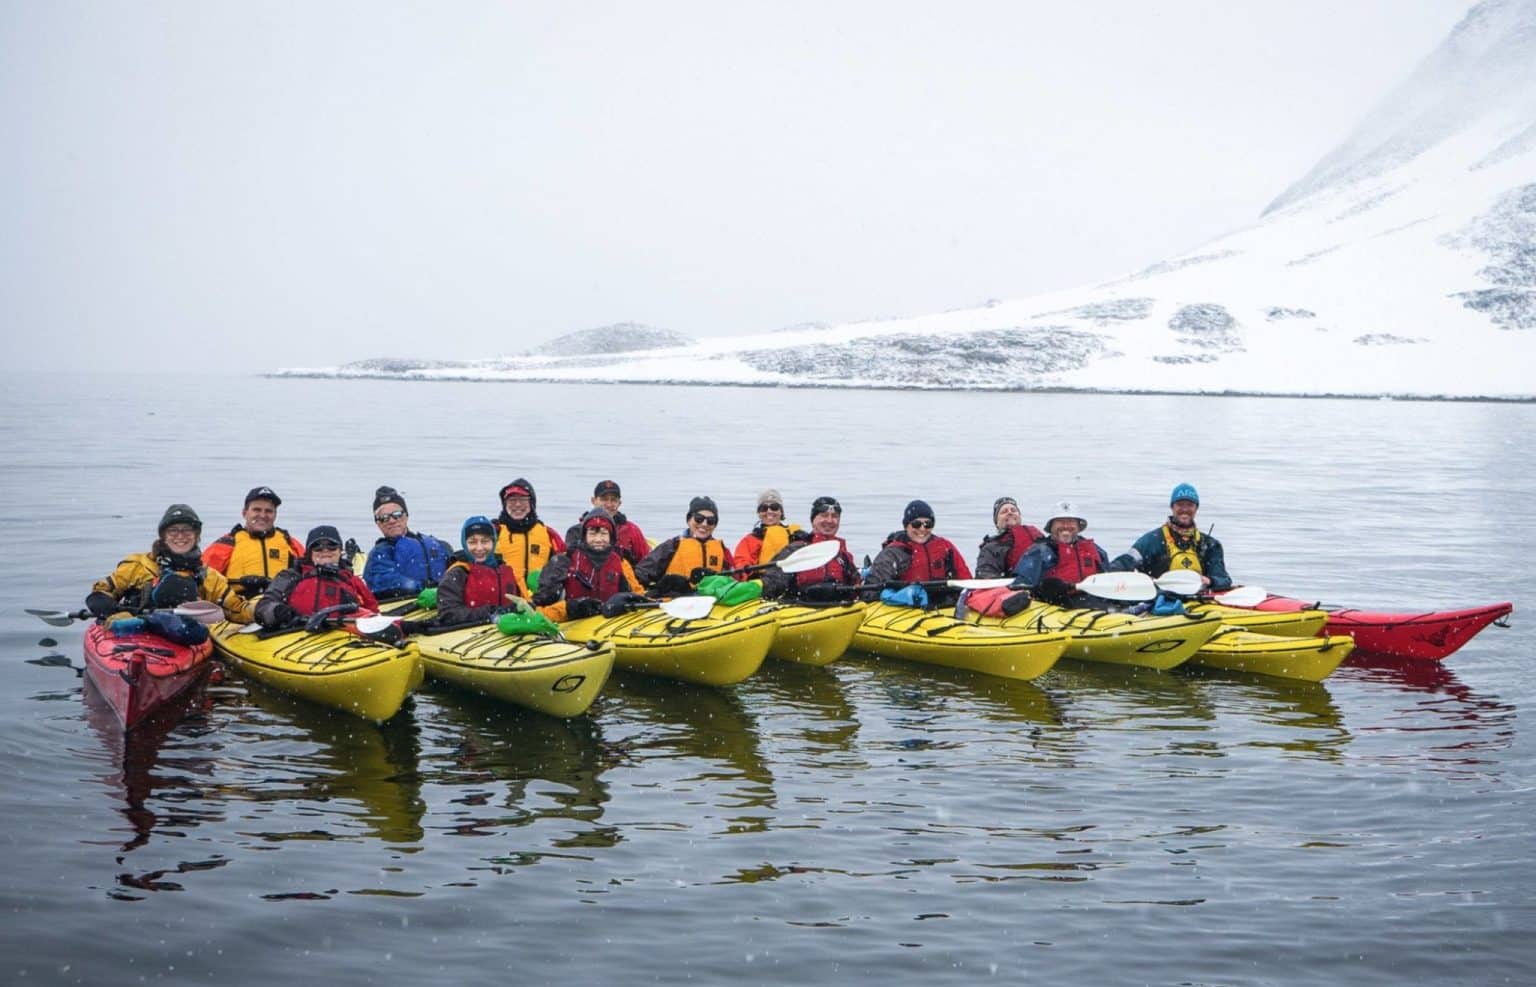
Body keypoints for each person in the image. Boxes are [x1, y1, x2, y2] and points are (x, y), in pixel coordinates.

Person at [86, 504, 254, 641]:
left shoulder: (209, 577)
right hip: (130, 632)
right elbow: (100, 593)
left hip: (181, 636)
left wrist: (268, 612)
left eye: (187, 530)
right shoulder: (138, 565)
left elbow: (238, 609)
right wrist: (113, 613)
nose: (180, 536)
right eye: (173, 530)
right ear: (163, 536)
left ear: (196, 536)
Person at [1109, 483, 1233, 591]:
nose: (1185, 509)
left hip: (1198, 600)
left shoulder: (1210, 544)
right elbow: (1128, 560)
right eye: (1180, 505)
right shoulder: (1153, 540)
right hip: (1159, 599)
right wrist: (1109, 571)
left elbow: (1223, 579)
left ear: (1196, 508)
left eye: (1189, 505)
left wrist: (1210, 581)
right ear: (1172, 507)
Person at [255, 525, 380, 629]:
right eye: (317, 547)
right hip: (296, 634)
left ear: (340, 550)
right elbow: (263, 608)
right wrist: (279, 612)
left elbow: (373, 613)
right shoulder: (291, 577)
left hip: (342, 635)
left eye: (331, 545)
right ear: (309, 553)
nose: (325, 550)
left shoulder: (352, 581)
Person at [534, 510, 647, 620]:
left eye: (603, 534)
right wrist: (570, 609)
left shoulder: (621, 563)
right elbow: (537, 610)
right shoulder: (563, 562)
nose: (598, 540)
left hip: (609, 625)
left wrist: (623, 601)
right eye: (592, 534)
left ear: (611, 537)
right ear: (584, 536)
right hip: (572, 626)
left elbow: (639, 596)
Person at [201, 486, 306, 599]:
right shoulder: (226, 544)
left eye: (268, 511)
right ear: (244, 513)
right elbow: (202, 580)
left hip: (281, 607)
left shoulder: (290, 544)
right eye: (257, 510)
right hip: (238, 608)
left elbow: (310, 575)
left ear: (275, 515)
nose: (262, 515)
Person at [865, 500, 972, 606]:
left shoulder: (945, 547)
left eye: (928, 524)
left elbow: (966, 579)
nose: (922, 529)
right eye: (916, 524)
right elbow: (869, 593)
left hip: (943, 605)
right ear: (906, 526)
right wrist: (897, 597)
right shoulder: (893, 553)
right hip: (906, 608)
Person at [761, 495, 861, 601]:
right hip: (800, 607)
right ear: (813, 520)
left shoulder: (842, 554)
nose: (829, 520)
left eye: (834, 516)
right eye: (824, 515)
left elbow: (856, 587)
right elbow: (773, 582)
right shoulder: (796, 548)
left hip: (837, 609)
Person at [434, 516, 529, 627]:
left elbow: (525, 603)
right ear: (464, 543)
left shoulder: (507, 570)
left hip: (508, 634)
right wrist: (494, 612)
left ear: (493, 542)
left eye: (485, 541)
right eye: (472, 542)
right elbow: (449, 615)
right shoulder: (457, 574)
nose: (479, 548)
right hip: (473, 636)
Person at [1010, 502, 1110, 606]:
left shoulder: (1095, 550)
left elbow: (1107, 580)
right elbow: (1021, 586)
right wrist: (1042, 591)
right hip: (1056, 608)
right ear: (1051, 526)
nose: (1066, 526)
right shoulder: (1039, 552)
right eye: (1060, 521)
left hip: (1094, 604)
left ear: (1078, 526)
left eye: (1071, 521)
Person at [362, 485, 451, 599]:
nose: (392, 521)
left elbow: (457, 573)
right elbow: (386, 582)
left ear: (406, 516)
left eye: (397, 515)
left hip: (442, 600)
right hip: (406, 606)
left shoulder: (439, 545)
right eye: (384, 517)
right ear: (378, 524)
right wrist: (425, 587)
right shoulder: (379, 554)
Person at [635, 496, 730, 596]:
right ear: (689, 520)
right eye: (699, 518)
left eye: (711, 520)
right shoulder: (672, 546)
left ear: (715, 525)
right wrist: (658, 588)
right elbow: (641, 573)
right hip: (676, 601)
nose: (704, 524)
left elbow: (733, 579)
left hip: (712, 603)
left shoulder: (722, 550)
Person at [493, 478, 566, 593]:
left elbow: (562, 566)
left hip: (539, 600)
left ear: (532, 503)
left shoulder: (548, 534)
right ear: (504, 504)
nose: (517, 504)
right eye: (512, 500)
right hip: (504, 600)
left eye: (523, 500)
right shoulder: (494, 532)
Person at [563, 480, 650, 565]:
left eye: (613, 500)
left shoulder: (631, 530)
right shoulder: (576, 531)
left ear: (619, 503)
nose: (609, 504)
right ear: (593, 501)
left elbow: (646, 562)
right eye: (604, 499)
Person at [974, 495, 1046, 578]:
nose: (1010, 512)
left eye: (1013, 510)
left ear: (1019, 516)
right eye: (1004, 512)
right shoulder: (991, 548)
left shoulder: (1037, 537)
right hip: (1011, 587)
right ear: (997, 522)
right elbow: (985, 574)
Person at [732, 488, 802, 569]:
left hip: (789, 578)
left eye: (774, 507)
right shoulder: (749, 540)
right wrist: (746, 569)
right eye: (763, 508)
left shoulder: (795, 535)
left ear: (781, 512)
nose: (769, 511)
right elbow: (741, 561)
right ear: (759, 513)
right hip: (762, 579)